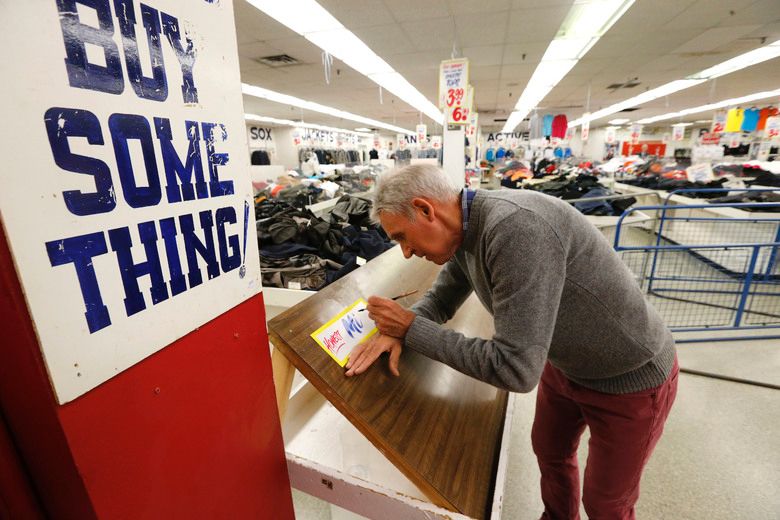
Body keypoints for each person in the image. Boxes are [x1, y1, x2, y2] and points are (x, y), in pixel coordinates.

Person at [345, 164, 678, 520]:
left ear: (426, 209)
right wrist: (395, 332)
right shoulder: (466, 229)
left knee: (606, 503)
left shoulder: (516, 230)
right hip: (566, 363)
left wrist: (412, 329)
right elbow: (442, 298)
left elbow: (515, 369)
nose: (407, 252)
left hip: (629, 378)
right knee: (550, 453)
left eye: (400, 237)